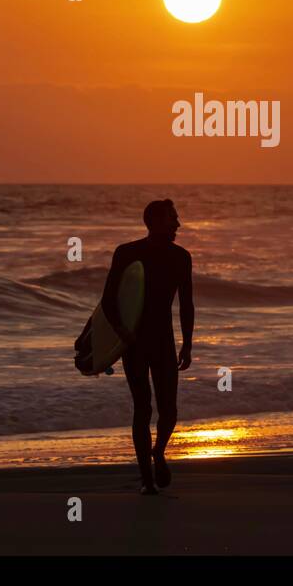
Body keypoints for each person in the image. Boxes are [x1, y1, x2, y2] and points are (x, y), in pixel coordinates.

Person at [100, 200, 194, 495]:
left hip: (164, 341)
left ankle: (158, 451)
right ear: (154, 222)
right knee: (142, 408)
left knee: (169, 410)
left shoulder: (182, 257)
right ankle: (147, 480)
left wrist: (188, 343)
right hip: (134, 342)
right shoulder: (127, 253)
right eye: (173, 219)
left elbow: (186, 304)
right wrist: (120, 334)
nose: (178, 224)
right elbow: (108, 300)